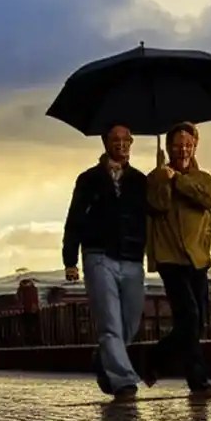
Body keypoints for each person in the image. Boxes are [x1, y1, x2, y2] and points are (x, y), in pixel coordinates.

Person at [61, 124, 149, 402]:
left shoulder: (141, 180)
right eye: (115, 140)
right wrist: (70, 259)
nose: (121, 144)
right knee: (110, 323)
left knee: (130, 322)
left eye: (126, 140)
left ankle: (104, 357)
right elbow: (74, 218)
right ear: (105, 142)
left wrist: (163, 180)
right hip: (99, 255)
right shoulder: (89, 179)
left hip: (133, 257)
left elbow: (154, 215)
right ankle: (125, 383)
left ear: (132, 143)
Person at [140, 121, 211, 398]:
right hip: (170, 258)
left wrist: (179, 180)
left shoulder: (203, 179)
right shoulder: (155, 177)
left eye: (188, 144)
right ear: (168, 147)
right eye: (177, 145)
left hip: (197, 258)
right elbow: (157, 206)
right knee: (188, 316)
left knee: (196, 323)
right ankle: (198, 382)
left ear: (195, 145)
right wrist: (163, 180)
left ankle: (152, 360)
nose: (183, 149)